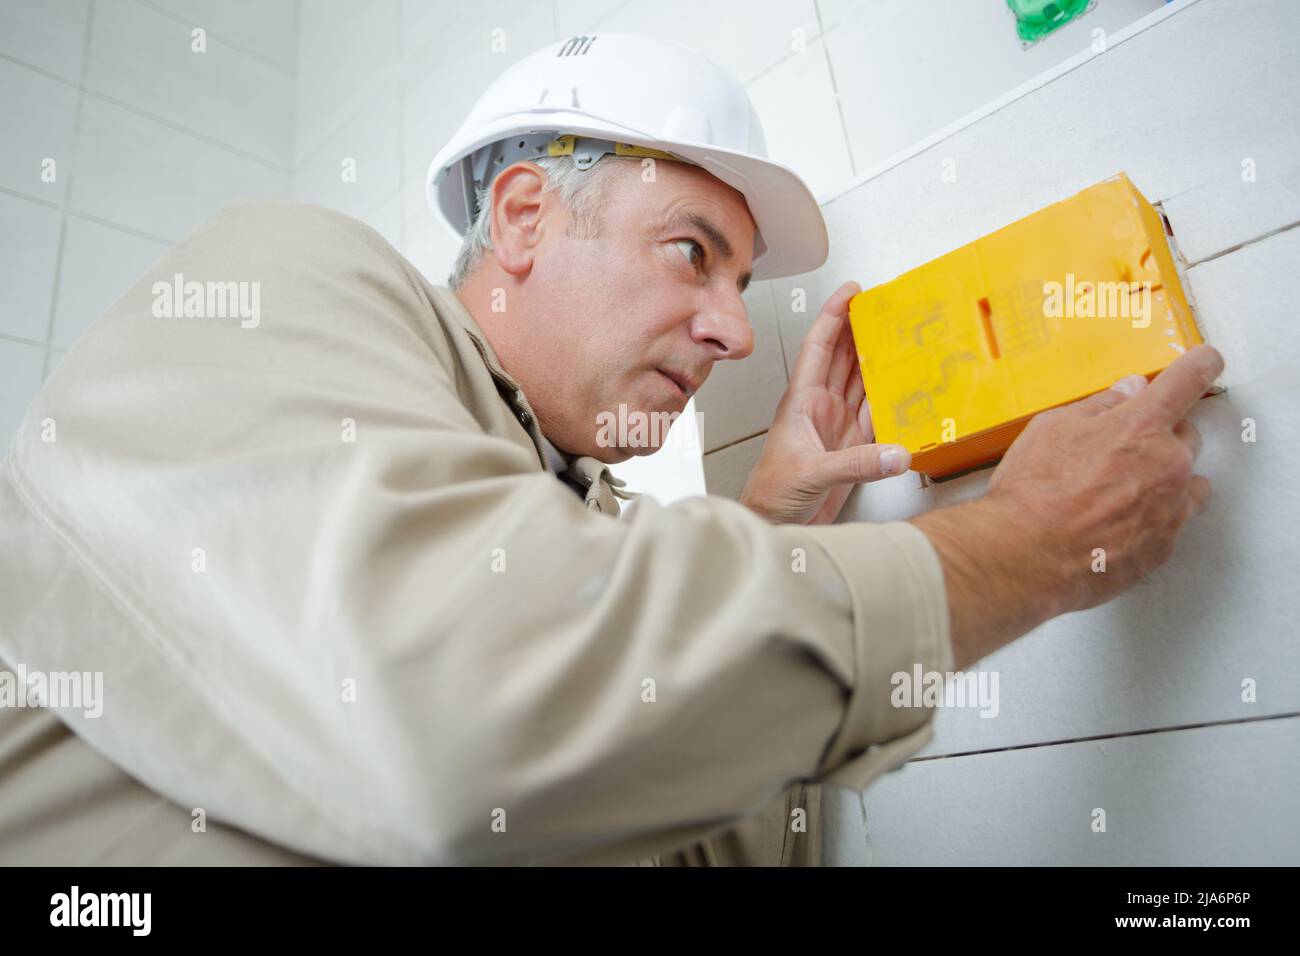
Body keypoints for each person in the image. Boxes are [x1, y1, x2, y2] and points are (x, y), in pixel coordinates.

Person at [0, 33, 1219, 866]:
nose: (736, 329)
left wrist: (774, 523)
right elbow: (461, 720)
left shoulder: (580, 522)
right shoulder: (286, 278)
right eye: (695, 252)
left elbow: (671, 827)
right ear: (525, 214)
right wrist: (1023, 545)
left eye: (742, 283)